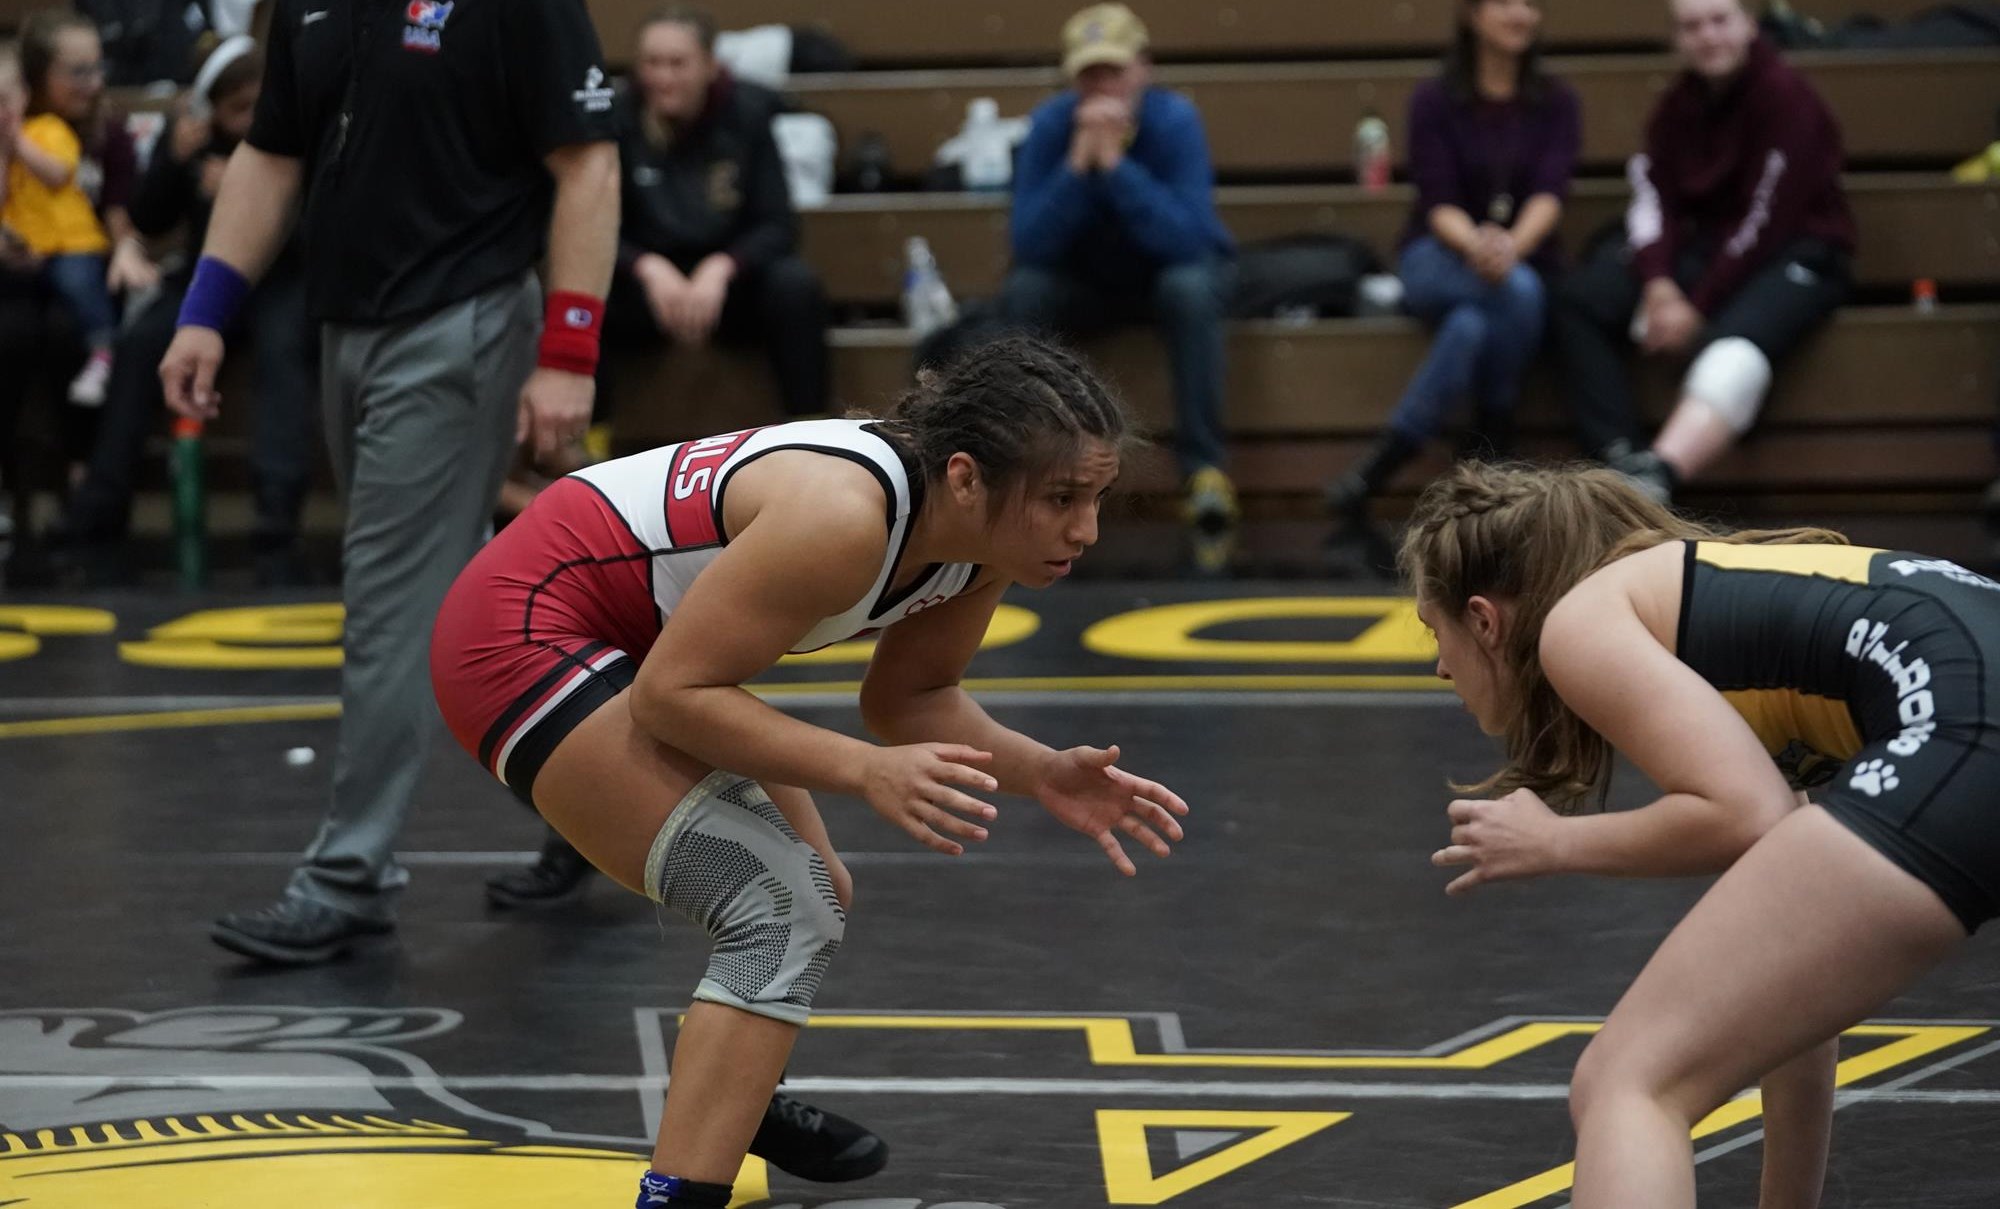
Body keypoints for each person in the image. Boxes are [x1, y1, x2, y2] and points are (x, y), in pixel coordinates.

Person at [430, 335, 1190, 1207]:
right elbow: (673, 697)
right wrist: (866, 773)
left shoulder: (984, 539)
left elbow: (912, 696)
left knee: (815, 882)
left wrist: (1045, 771)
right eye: (1062, 498)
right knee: (778, 899)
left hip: (634, 646)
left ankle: (735, 1095)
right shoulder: (844, 517)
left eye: (1096, 498)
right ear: (968, 475)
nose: (1085, 530)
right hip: (520, 631)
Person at [1402, 459, 1997, 1207]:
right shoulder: (1735, 616)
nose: (1437, 664)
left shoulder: (1580, 623)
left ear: (1485, 619)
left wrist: (1558, 843)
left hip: (1966, 730)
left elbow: (1746, 813)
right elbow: (1798, 996)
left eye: (1436, 628)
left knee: (1629, 1083)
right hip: (1963, 717)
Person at [160, 0, 619, 966]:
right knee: (461, 595)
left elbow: (587, 161)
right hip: (348, 325)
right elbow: (271, 151)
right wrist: (206, 308)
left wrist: (568, 351)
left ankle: (348, 878)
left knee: (389, 602)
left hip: (462, 315)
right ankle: (606, 792)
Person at [1551, 0, 1854, 503]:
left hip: (1798, 252)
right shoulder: (1676, 106)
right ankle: (1621, 460)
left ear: (1749, 26)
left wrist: (1697, 307)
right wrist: (1659, 283)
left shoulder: (1787, 99)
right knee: (1578, 299)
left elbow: (1765, 220)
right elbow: (1653, 199)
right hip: (1708, 252)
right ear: (1676, 39)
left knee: (1730, 357)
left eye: (1719, 21)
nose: (1707, 37)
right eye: (1692, 27)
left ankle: (1655, 480)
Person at [50, 36, 317, 573]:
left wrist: (251, 203)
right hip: (206, 287)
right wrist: (173, 162)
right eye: (236, 108)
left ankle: (276, 517)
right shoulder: (194, 145)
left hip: (282, 282)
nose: (249, 120)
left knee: (286, 347)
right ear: (210, 108)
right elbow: (149, 221)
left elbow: (317, 229)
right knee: (140, 340)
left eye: (257, 106)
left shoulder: (291, 141)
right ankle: (100, 507)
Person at [1326, 0, 1578, 522]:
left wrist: (1511, 248)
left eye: (1531, 4)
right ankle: (1492, 445)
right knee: (1517, 296)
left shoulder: (1557, 101)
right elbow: (1436, 197)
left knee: (1472, 326)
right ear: (1472, 14)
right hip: (1438, 256)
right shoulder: (1434, 98)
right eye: (1506, 2)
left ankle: (1381, 467)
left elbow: (1551, 194)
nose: (1521, 14)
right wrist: (1478, 246)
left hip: (1522, 259)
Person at [999, 3, 1239, 533]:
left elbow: (1188, 241)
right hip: (1089, 285)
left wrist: (1115, 168)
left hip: (1163, 280)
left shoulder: (1174, 120)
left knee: (1192, 287)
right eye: (1089, 73)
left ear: (1143, 68)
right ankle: (1031, 464)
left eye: (1113, 70)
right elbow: (1029, 245)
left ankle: (1205, 471)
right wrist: (1076, 168)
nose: (1102, 85)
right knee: (1025, 292)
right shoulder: (1050, 126)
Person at [603, 3, 830, 426]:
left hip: (729, 286)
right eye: (652, 63)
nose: (663, 77)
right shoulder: (616, 118)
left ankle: (810, 429)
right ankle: (586, 445)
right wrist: (645, 267)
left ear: (709, 65)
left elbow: (778, 225)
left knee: (796, 287)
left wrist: (724, 268)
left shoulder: (747, 115)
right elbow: (594, 225)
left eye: (677, 63)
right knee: (585, 292)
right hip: (645, 286)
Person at [2, 10, 153, 420]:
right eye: (78, 72)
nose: (96, 83)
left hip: (79, 262)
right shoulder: (12, 123)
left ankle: (79, 464)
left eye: (98, 67)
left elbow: (117, 212)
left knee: (67, 329)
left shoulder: (110, 131)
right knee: (12, 331)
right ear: (36, 75)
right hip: (17, 268)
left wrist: (127, 248)